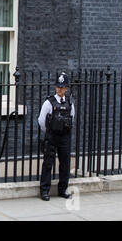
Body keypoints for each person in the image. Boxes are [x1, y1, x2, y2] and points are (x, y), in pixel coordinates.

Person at [38, 72, 75, 201]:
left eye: (62, 87)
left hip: (64, 137)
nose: (60, 89)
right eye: (58, 87)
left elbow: (72, 118)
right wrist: (49, 132)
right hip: (52, 136)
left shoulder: (69, 103)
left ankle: (63, 189)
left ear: (66, 88)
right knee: (48, 163)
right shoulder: (49, 103)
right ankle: (44, 191)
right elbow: (41, 121)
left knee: (65, 164)